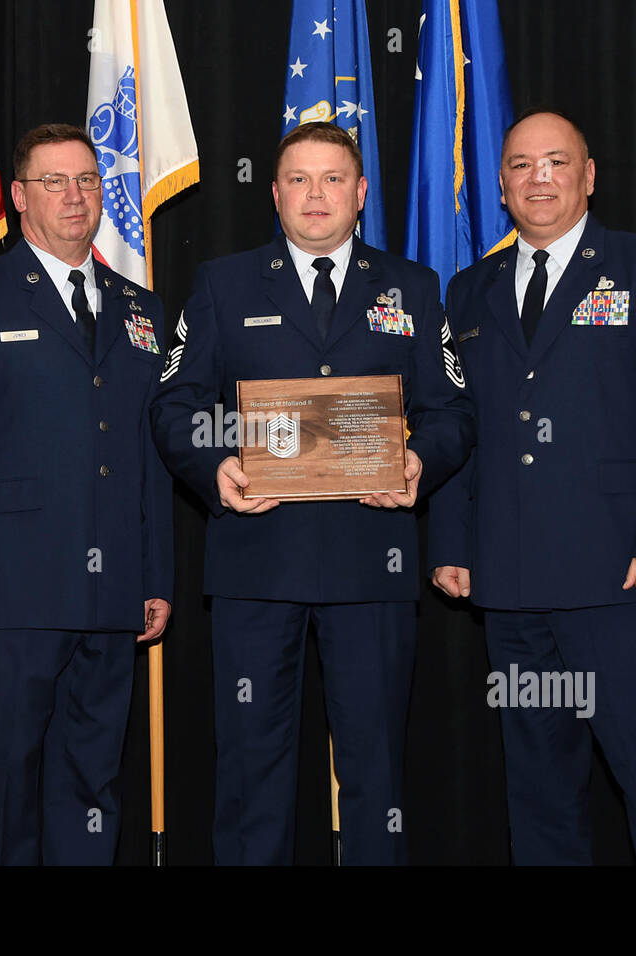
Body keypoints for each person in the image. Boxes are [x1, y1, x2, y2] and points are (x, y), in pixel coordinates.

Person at [151, 122, 472, 865]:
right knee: (251, 770)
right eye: (299, 178)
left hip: (373, 566)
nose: (315, 194)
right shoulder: (223, 284)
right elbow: (173, 404)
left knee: (375, 769)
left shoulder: (414, 287)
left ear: (361, 194)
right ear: (274, 193)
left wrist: (419, 463)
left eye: (333, 179)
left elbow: (454, 411)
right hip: (256, 563)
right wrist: (217, 465)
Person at [428, 109, 636, 865]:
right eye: (521, 165)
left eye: (557, 162)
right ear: (501, 185)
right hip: (511, 583)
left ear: (588, 176)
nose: (540, 178)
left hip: (618, 576)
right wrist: (453, 541)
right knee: (539, 787)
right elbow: (461, 428)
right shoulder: (467, 290)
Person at [0, 123, 174, 865]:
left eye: (88, 180)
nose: (74, 196)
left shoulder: (142, 311)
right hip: (11, 590)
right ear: (20, 196)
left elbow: (148, 455)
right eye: (55, 182)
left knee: (92, 788)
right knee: (2, 789)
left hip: (113, 591)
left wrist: (155, 576)